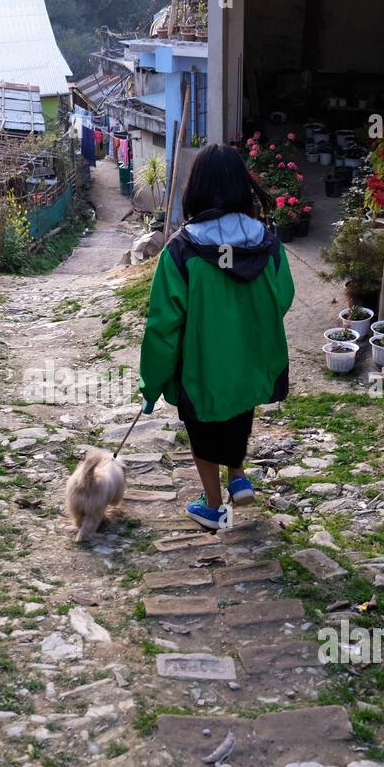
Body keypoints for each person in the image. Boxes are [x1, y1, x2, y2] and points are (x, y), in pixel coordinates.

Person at [137, 143, 295, 529]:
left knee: (203, 431)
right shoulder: (268, 243)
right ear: (242, 187)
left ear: (198, 188)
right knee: (238, 413)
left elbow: (163, 326)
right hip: (249, 362)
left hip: (202, 367)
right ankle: (237, 477)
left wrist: (151, 382)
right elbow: (284, 296)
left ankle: (213, 505)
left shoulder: (181, 250)